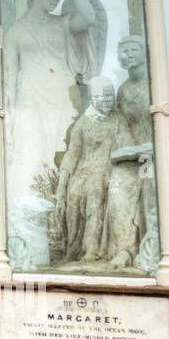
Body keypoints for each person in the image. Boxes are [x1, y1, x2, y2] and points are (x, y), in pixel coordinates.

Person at [101, 36, 169, 268]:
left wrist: (148, 149)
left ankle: (165, 250)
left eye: (133, 49)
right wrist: (126, 151)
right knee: (117, 183)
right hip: (140, 156)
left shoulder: (163, 86)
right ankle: (124, 249)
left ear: (145, 54)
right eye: (123, 51)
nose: (127, 54)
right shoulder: (123, 91)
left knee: (154, 177)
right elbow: (122, 127)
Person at [3, 0, 100, 200]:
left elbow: (89, 18)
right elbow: (9, 75)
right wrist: (9, 117)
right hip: (32, 97)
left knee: (65, 152)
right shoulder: (15, 31)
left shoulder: (63, 23)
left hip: (64, 97)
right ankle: (36, 206)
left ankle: (64, 209)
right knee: (33, 152)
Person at [50, 76, 119, 262]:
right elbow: (72, 153)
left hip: (105, 171)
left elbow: (126, 147)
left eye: (109, 96)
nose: (106, 101)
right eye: (102, 97)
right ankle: (73, 248)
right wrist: (63, 178)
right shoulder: (82, 123)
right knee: (72, 195)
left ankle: (92, 248)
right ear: (93, 99)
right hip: (83, 172)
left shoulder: (117, 121)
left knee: (94, 193)